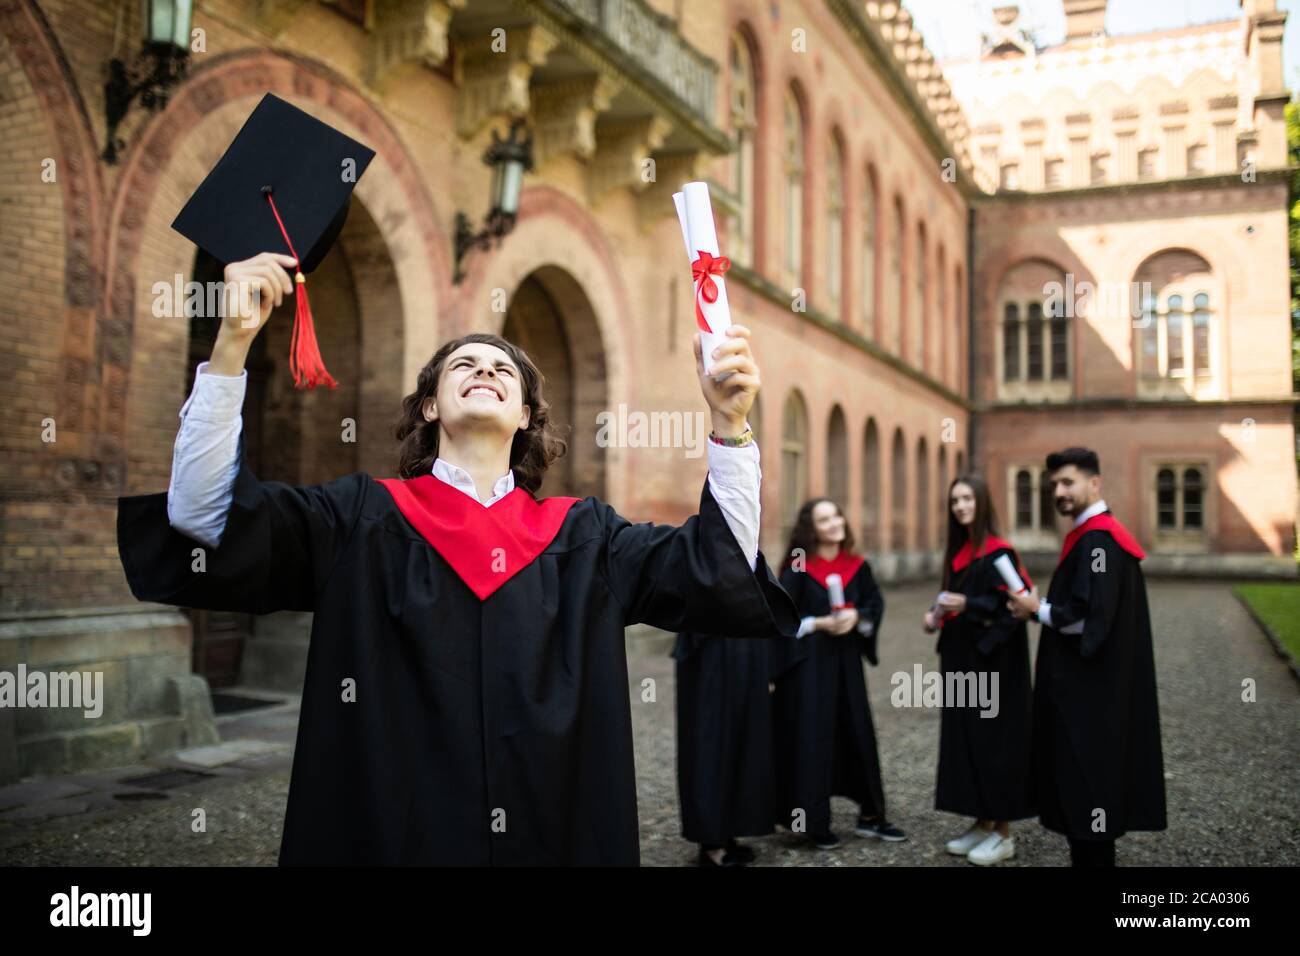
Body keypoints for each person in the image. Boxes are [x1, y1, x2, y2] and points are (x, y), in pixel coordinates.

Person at [117, 239, 798, 863]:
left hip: (544, 832)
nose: (484, 369)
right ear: (430, 408)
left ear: (526, 414)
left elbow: (722, 567)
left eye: (503, 368)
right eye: (463, 364)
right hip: (390, 832)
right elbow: (204, 517)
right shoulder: (360, 519)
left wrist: (729, 423)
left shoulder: (584, 538)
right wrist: (233, 344)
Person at [1007, 447, 1166, 867]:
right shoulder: (1093, 536)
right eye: (1054, 484)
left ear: (1094, 483)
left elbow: (1090, 619)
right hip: (1095, 690)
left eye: (1068, 482)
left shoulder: (1098, 542)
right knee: (1088, 791)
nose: (1059, 491)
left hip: (1089, 697)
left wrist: (1034, 610)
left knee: (1088, 789)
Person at [769, 498, 906, 849]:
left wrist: (857, 617)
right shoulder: (798, 567)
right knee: (813, 736)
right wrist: (821, 622)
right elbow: (782, 619)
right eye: (824, 519)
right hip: (810, 667)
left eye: (836, 516)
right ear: (811, 529)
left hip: (846, 665)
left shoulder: (857, 566)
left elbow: (874, 604)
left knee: (856, 731)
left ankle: (871, 815)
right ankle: (813, 821)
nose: (834, 523)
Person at [923, 474, 1034, 865]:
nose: (961, 506)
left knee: (995, 745)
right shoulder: (960, 552)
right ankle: (982, 822)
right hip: (962, 660)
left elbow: (1016, 607)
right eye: (955, 501)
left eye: (967, 498)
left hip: (996, 663)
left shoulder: (1000, 553)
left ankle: (1004, 833)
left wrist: (969, 606)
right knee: (968, 741)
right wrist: (938, 615)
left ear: (982, 502)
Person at [672, 625, 778, 867]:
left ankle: (729, 831)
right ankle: (711, 844)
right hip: (710, 650)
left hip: (745, 644)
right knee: (710, 740)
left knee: (743, 738)